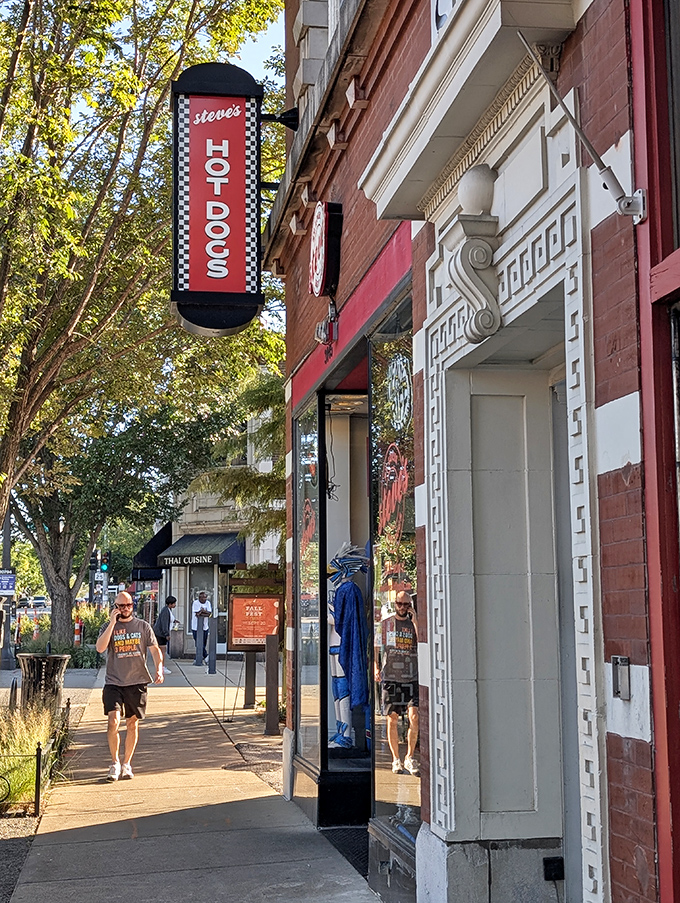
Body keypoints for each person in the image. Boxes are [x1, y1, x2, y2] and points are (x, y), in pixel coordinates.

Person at [95, 591, 164, 782]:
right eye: (121, 606)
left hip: (137, 682)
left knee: (132, 723)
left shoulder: (143, 626)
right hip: (114, 681)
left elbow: (155, 651)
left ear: (133, 606)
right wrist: (111, 623)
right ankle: (114, 763)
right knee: (113, 721)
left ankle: (127, 764)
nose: (125, 609)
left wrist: (159, 669)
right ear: (115, 607)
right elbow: (100, 648)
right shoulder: (108, 627)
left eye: (128, 605)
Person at [375, 590, 419, 776]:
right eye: (399, 604)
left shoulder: (414, 624)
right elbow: (376, 647)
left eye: (405, 604)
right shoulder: (386, 624)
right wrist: (376, 668)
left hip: (412, 676)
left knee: (414, 718)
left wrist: (415, 619)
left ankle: (410, 756)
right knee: (391, 719)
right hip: (391, 676)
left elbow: (423, 640)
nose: (402, 608)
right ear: (394, 605)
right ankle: (396, 759)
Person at [153, 595, 177, 674]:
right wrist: (166, 634)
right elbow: (164, 623)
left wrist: (174, 621)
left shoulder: (167, 610)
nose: (175, 605)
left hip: (161, 633)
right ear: (170, 604)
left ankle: (161, 666)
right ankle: (161, 667)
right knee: (162, 651)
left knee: (162, 651)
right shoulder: (165, 611)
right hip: (161, 634)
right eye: (174, 603)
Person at [191, 591, 212, 663]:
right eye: (203, 597)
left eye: (205, 597)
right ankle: (205, 656)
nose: (204, 599)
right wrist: (202, 612)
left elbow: (209, 614)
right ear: (199, 598)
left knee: (203, 643)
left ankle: (199, 657)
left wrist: (202, 612)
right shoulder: (196, 603)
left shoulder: (208, 603)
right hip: (196, 627)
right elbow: (197, 614)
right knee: (198, 642)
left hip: (205, 626)